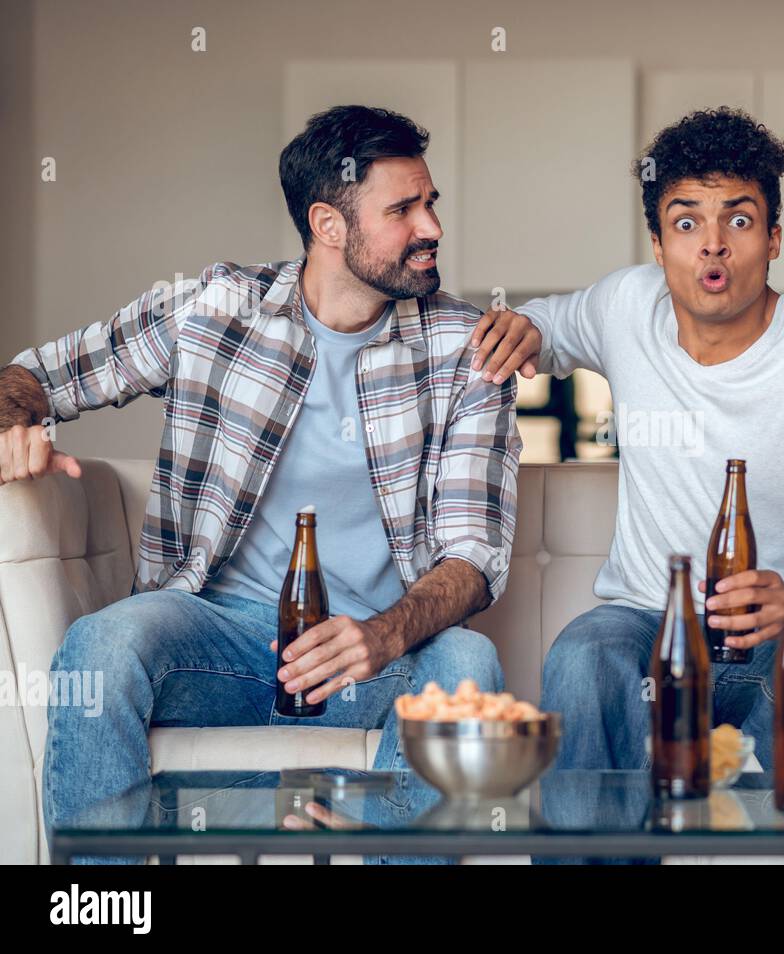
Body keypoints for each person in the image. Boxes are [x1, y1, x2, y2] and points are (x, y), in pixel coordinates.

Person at [0, 105, 522, 860]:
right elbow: (34, 378)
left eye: (430, 202)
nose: (431, 226)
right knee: (104, 644)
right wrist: (14, 430)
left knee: (470, 666)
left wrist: (380, 636)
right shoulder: (215, 308)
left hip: (380, 654)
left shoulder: (466, 351)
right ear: (329, 225)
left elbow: (475, 557)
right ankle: (105, 903)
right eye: (403, 209)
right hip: (226, 642)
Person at [471, 107, 784, 778]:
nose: (712, 244)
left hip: (783, 633)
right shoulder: (626, 306)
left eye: (738, 219)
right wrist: (523, 326)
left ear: (774, 238)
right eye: (685, 222)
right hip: (646, 622)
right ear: (657, 242)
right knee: (584, 657)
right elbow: (548, 325)